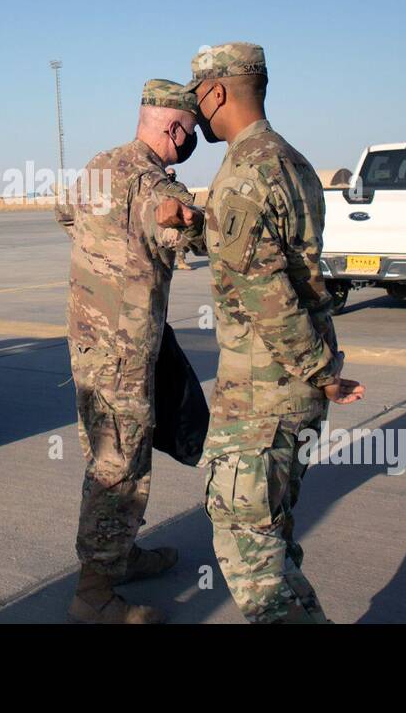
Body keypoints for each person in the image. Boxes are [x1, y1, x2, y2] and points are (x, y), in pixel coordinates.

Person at [184, 42, 365, 623]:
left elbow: (267, 295)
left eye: (198, 98)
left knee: (249, 555)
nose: (197, 113)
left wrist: (319, 371)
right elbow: (281, 260)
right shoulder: (291, 161)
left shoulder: (242, 173)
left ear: (215, 93)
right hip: (295, 397)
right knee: (274, 536)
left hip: (264, 396)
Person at [55, 78, 206, 623]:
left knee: (106, 451)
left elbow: (65, 215)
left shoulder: (98, 166)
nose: (191, 144)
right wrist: (188, 221)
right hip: (125, 353)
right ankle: (94, 595)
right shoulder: (156, 188)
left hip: (89, 345)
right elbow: (191, 236)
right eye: (190, 134)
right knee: (120, 464)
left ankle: (119, 555)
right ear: (172, 128)